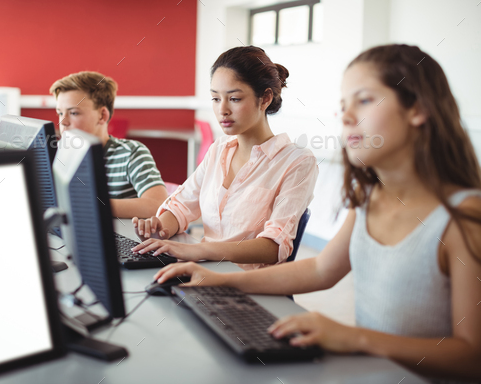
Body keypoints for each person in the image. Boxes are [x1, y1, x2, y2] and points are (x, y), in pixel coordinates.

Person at [153, 45, 481, 382]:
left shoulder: (465, 218)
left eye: (364, 100)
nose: (347, 116)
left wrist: (355, 339)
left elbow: (473, 358)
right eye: (343, 105)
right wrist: (221, 280)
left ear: (418, 109)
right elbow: (323, 268)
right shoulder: (372, 199)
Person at [132, 46, 319, 269]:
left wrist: (198, 250)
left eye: (235, 99)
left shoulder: (297, 162)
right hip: (204, 271)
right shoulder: (219, 149)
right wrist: (160, 229)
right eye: (215, 98)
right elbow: (181, 205)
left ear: (265, 98)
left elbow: (273, 247)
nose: (222, 110)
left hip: (249, 285)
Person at [50, 71, 168, 218]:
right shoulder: (57, 154)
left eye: (73, 113)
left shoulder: (131, 153)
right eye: (60, 113)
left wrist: (86, 205)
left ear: (102, 115)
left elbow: (158, 205)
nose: (63, 122)